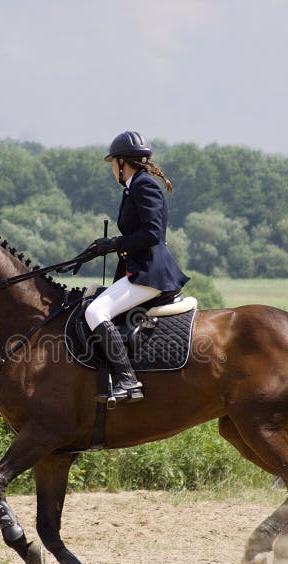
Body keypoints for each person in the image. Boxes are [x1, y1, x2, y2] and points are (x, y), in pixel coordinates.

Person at [83, 130, 190, 403]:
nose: (111, 170)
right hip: (140, 268)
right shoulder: (134, 187)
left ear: (121, 162)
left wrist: (116, 244)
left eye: (112, 164)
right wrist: (108, 245)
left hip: (150, 273)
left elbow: (153, 233)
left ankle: (128, 380)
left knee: (96, 312)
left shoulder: (144, 185)